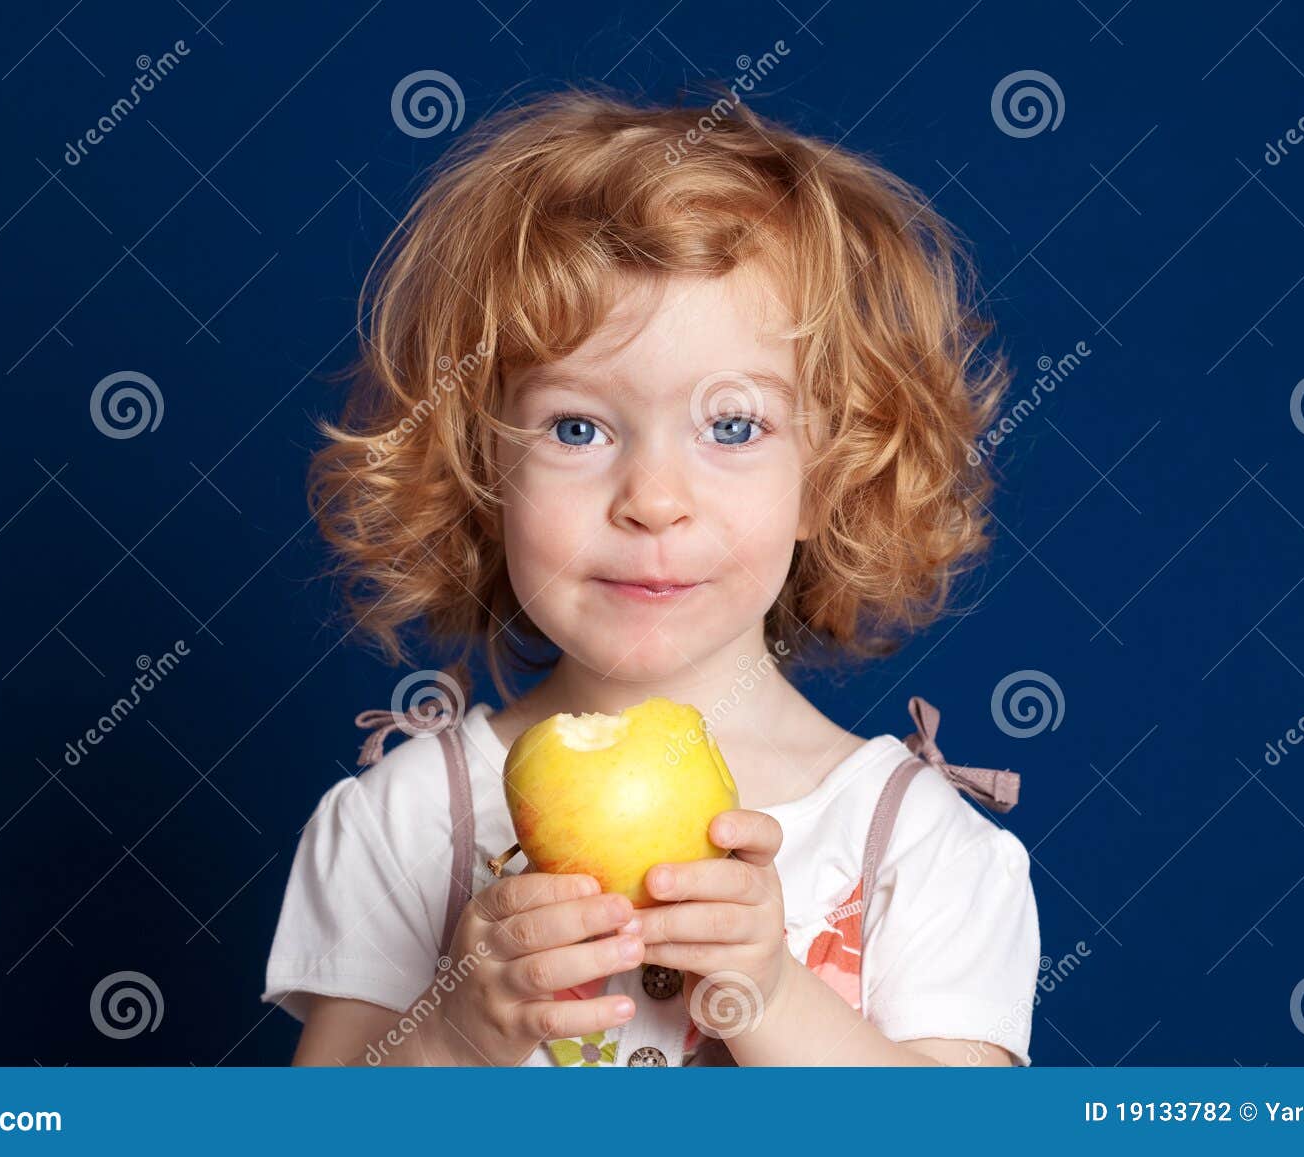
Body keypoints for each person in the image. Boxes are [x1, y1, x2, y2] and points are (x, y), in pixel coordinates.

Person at [262, 87, 1039, 1067]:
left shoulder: (915, 850)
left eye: (732, 426)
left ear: (824, 479)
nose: (653, 498)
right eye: (577, 426)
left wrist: (767, 992)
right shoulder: (410, 819)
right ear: (482, 468)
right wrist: (453, 1035)